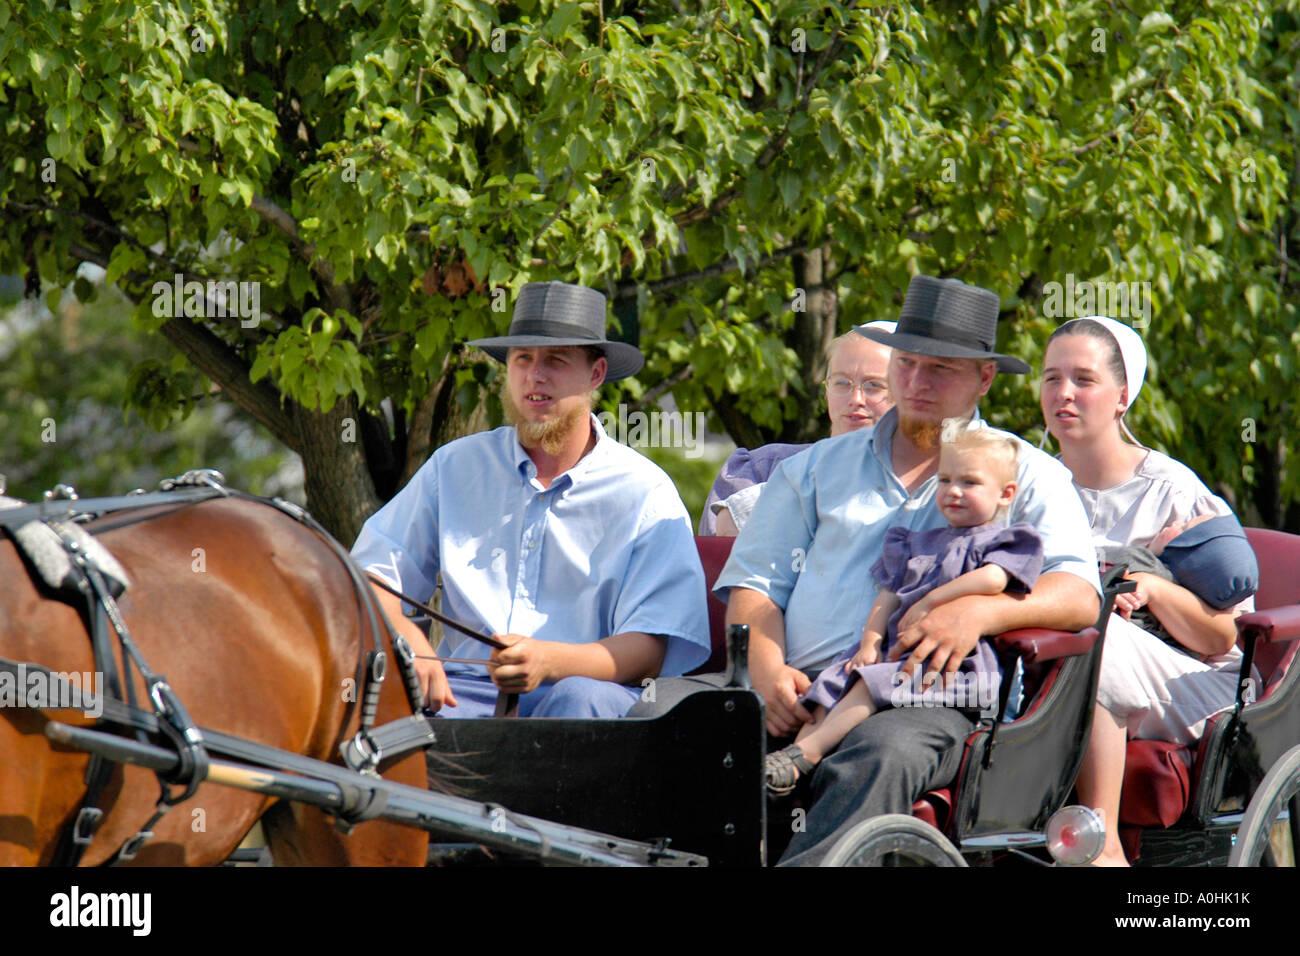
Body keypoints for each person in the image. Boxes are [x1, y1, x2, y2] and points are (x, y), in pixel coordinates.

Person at [714, 274, 1100, 866]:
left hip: (924, 693)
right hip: (797, 682)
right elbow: (756, 588)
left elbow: (1078, 594)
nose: (918, 382)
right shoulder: (813, 469)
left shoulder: (1027, 471)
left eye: (942, 369)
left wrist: (981, 609)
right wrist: (765, 669)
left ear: (985, 378)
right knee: (669, 715)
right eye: (909, 364)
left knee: (879, 751)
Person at [351, 281, 711, 719]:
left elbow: (650, 648)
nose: (534, 376)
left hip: (589, 700)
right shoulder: (455, 467)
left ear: (596, 374)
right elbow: (372, 575)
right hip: (463, 694)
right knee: (377, 703)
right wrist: (409, 640)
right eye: (523, 359)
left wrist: (550, 661)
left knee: (580, 700)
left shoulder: (645, 492)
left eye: (555, 361)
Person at [1040, 316, 1257, 866]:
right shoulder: (1033, 486)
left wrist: (1155, 588)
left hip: (1201, 686)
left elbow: (1222, 635)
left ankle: (1103, 844)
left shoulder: (1173, 492)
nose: (1064, 393)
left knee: (1095, 633)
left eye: (1084, 380)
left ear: (1122, 396)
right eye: (1051, 378)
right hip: (1067, 673)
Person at [764, 423, 1043, 794]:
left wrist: (931, 599)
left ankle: (807, 754)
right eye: (945, 480)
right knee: (830, 686)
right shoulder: (918, 543)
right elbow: (889, 595)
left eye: (970, 483)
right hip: (896, 655)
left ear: (1006, 494)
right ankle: (790, 767)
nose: (953, 492)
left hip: (951, 668)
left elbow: (993, 580)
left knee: (867, 684)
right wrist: (868, 642)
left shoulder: (1004, 540)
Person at [700, 321, 895, 536]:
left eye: (874, 385)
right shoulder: (761, 471)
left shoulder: (927, 486)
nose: (856, 398)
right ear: (826, 390)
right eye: (842, 383)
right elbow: (718, 563)